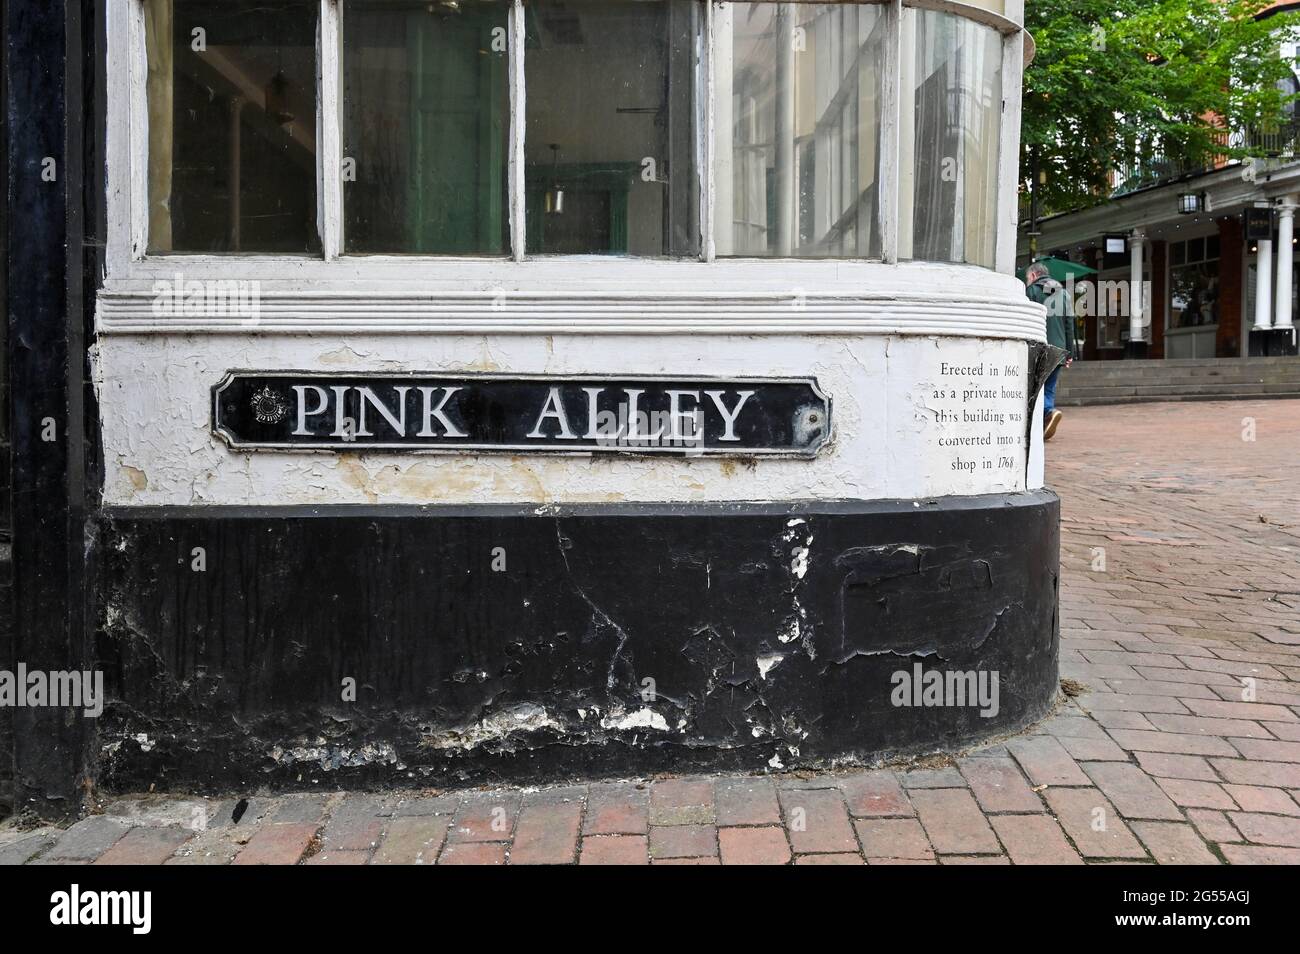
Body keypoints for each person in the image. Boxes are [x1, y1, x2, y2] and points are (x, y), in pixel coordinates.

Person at [1024, 262, 1076, 441]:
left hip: (1039, 346)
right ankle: (1046, 422)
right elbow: (1070, 324)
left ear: (1033, 275)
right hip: (1060, 348)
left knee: (1035, 387)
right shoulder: (1064, 294)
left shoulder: (1032, 291)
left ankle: (1047, 413)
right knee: (1049, 389)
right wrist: (1070, 353)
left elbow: (1027, 319)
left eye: (1027, 278)